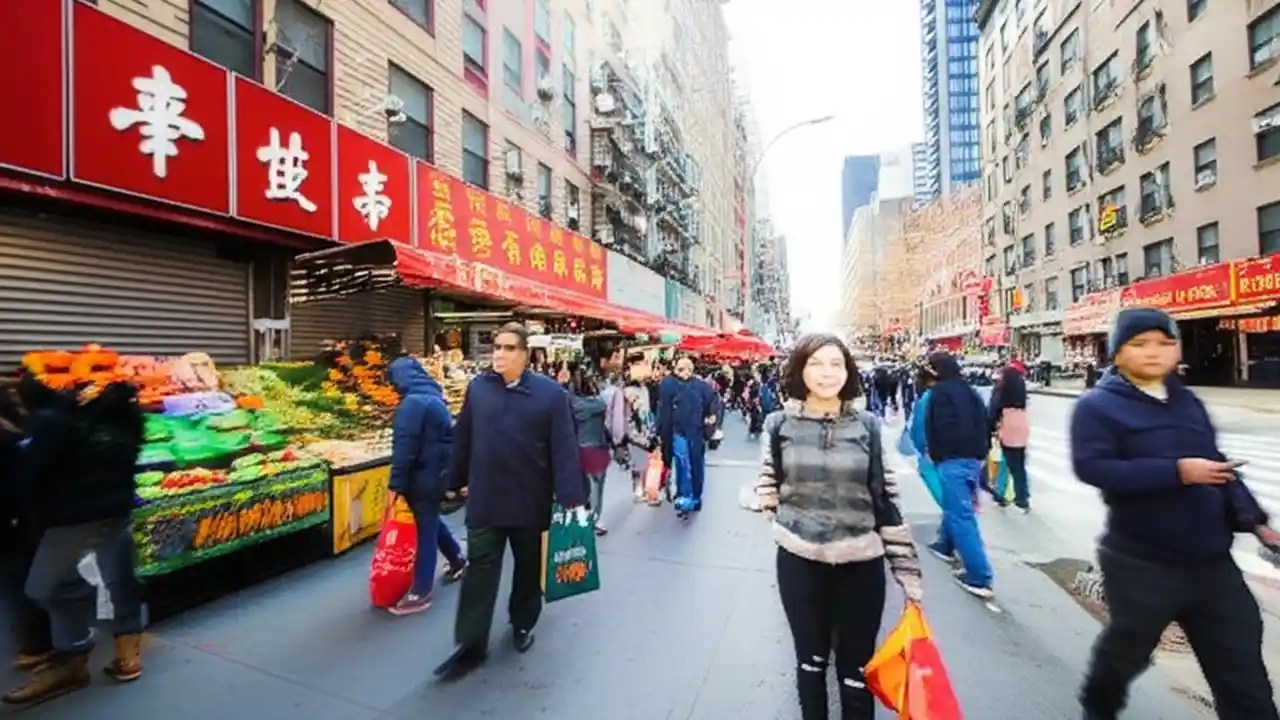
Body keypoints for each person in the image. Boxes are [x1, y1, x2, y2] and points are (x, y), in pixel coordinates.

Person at [1071, 308, 1280, 720]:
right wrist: (1177, 471)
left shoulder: (1187, 402)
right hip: (1141, 563)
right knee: (1125, 655)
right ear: (1116, 353)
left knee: (1243, 675)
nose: (1154, 352)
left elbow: (1218, 465)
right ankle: (1098, 706)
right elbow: (1093, 467)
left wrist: (1257, 523)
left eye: (1165, 342)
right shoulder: (1097, 407)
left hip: (1212, 567)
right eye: (1140, 343)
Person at [755, 334, 923, 720]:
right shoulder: (779, 425)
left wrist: (908, 577)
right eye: (816, 363)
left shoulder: (869, 426)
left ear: (847, 372)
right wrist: (781, 515)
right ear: (800, 369)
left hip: (861, 562)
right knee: (810, 664)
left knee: (855, 670)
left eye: (836, 364)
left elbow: (888, 502)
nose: (826, 373)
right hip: (800, 560)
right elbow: (769, 485)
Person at [434, 323, 587, 681]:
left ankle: (522, 622)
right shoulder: (479, 390)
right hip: (486, 500)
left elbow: (564, 448)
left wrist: (571, 499)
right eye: (496, 347)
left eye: (507, 348)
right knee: (480, 570)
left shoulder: (550, 395)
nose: (498, 354)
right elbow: (464, 438)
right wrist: (452, 483)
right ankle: (471, 645)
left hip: (528, 501)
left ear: (525, 355)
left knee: (526, 568)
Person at [5, 378, 146, 705]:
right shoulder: (120, 428)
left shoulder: (56, 425)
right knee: (119, 577)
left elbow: (33, 474)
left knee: (43, 587)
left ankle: (78, 647)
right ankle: (107, 651)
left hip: (78, 515)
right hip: (111, 509)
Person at [384, 356, 467, 616]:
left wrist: (394, 485)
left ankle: (420, 591)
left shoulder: (413, 404)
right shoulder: (434, 398)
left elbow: (404, 449)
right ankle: (456, 558)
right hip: (436, 476)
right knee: (430, 520)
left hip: (420, 478)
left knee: (426, 531)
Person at [921, 351, 996, 598]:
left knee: (960, 514)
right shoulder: (969, 390)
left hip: (952, 458)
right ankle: (945, 544)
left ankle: (979, 575)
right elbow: (985, 422)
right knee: (958, 506)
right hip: (974, 458)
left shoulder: (939, 394)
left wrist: (935, 453)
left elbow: (936, 427)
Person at [0, 383, 53, 672]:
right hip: (19, 519)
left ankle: (37, 644)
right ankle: (40, 642)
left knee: (18, 581)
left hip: (15, 520)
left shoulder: (12, 437)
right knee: (22, 579)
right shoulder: (16, 436)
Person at [657, 356, 718, 516]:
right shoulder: (673, 384)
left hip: (690, 431)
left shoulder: (697, 386)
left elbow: (663, 410)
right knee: (687, 463)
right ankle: (688, 497)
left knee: (686, 464)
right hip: (684, 431)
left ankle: (689, 497)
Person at [570, 372, 611, 536]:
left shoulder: (569, 403)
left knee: (582, 486)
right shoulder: (599, 404)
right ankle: (594, 518)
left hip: (577, 447)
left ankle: (580, 517)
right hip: (597, 446)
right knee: (597, 486)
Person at [988, 363, 1031, 512]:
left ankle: (1001, 493)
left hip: (1007, 427)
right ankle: (1022, 497)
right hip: (1022, 426)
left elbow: (993, 410)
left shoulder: (1001, 391)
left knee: (1007, 462)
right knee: (1019, 464)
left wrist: (990, 427)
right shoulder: (1021, 393)